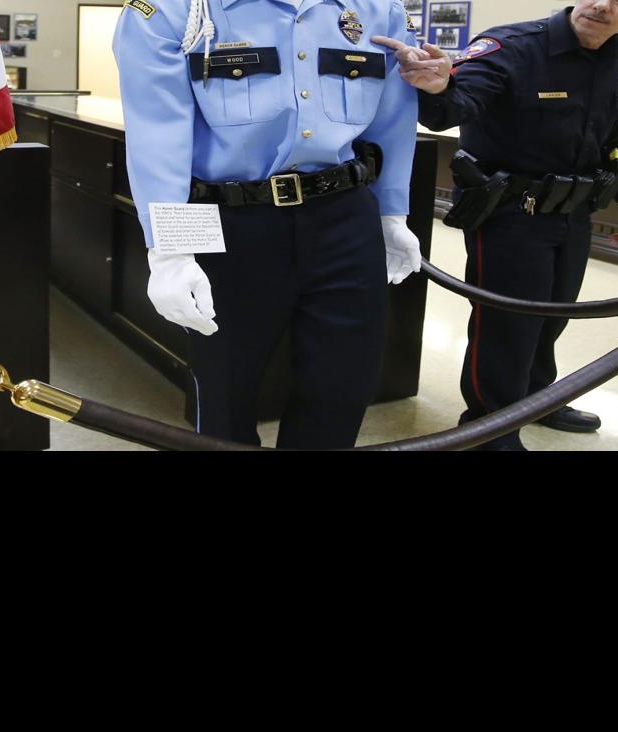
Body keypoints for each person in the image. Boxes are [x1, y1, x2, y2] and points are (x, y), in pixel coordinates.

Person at [114, 0, 421, 448]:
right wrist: (169, 250)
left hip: (344, 215)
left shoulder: (377, 9)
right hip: (229, 220)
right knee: (225, 393)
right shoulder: (174, 11)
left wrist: (392, 214)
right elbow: (159, 134)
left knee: (342, 387)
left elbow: (395, 115)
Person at [376, 0, 618, 450]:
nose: (602, 5)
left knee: (554, 314)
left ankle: (538, 398)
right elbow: (454, 108)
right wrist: (437, 88)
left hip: (575, 212)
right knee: (508, 326)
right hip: (510, 212)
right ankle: (490, 426)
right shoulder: (512, 46)